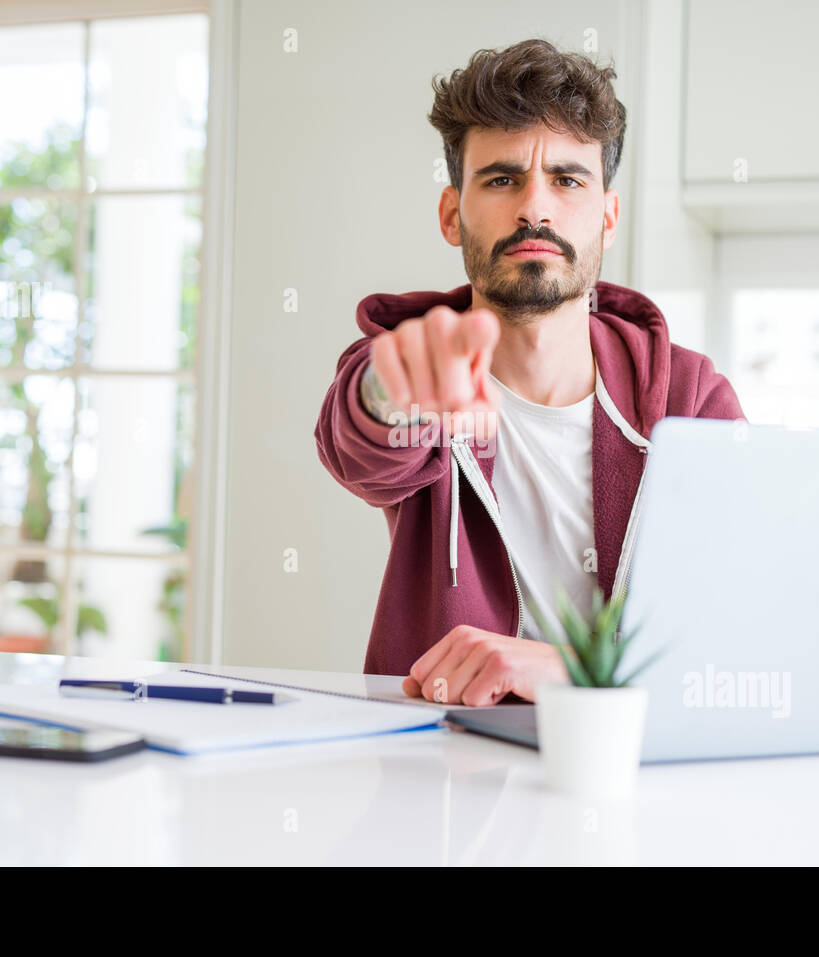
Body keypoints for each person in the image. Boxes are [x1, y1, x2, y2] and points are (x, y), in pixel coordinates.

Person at [314, 38, 744, 706]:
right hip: (438, 768)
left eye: (568, 179)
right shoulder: (416, 362)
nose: (535, 208)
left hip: (628, 767)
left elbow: (735, 625)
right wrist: (388, 393)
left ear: (607, 215)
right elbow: (362, 446)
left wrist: (568, 670)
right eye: (502, 178)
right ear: (452, 215)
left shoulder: (689, 398)